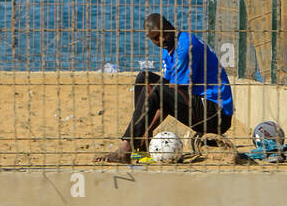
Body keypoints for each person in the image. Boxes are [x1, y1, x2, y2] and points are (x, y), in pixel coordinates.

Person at [95, 13, 233, 163]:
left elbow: (167, 97)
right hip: (198, 105)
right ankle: (141, 146)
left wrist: (144, 130)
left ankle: (126, 148)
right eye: (155, 38)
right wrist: (145, 131)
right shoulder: (169, 49)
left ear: (172, 28)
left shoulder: (185, 48)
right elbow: (167, 96)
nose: (161, 40)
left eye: (164, 34)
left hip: (215, 115)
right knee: (144, 78)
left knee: (158, 89)